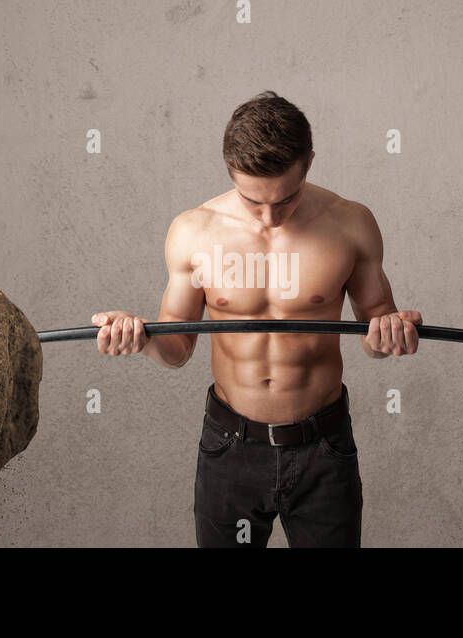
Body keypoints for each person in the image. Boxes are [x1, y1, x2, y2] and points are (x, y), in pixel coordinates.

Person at [91, 91, 421, 547]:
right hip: (231, 447)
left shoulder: (351, 224)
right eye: (252, 201)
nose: (269, 217)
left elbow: (374, 331)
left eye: (285, 200)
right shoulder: (194, 231)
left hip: (323, 446)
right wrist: (140, 338)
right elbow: (177, 349)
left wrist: (391, 334)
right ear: (230, 172)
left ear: (308, 163)